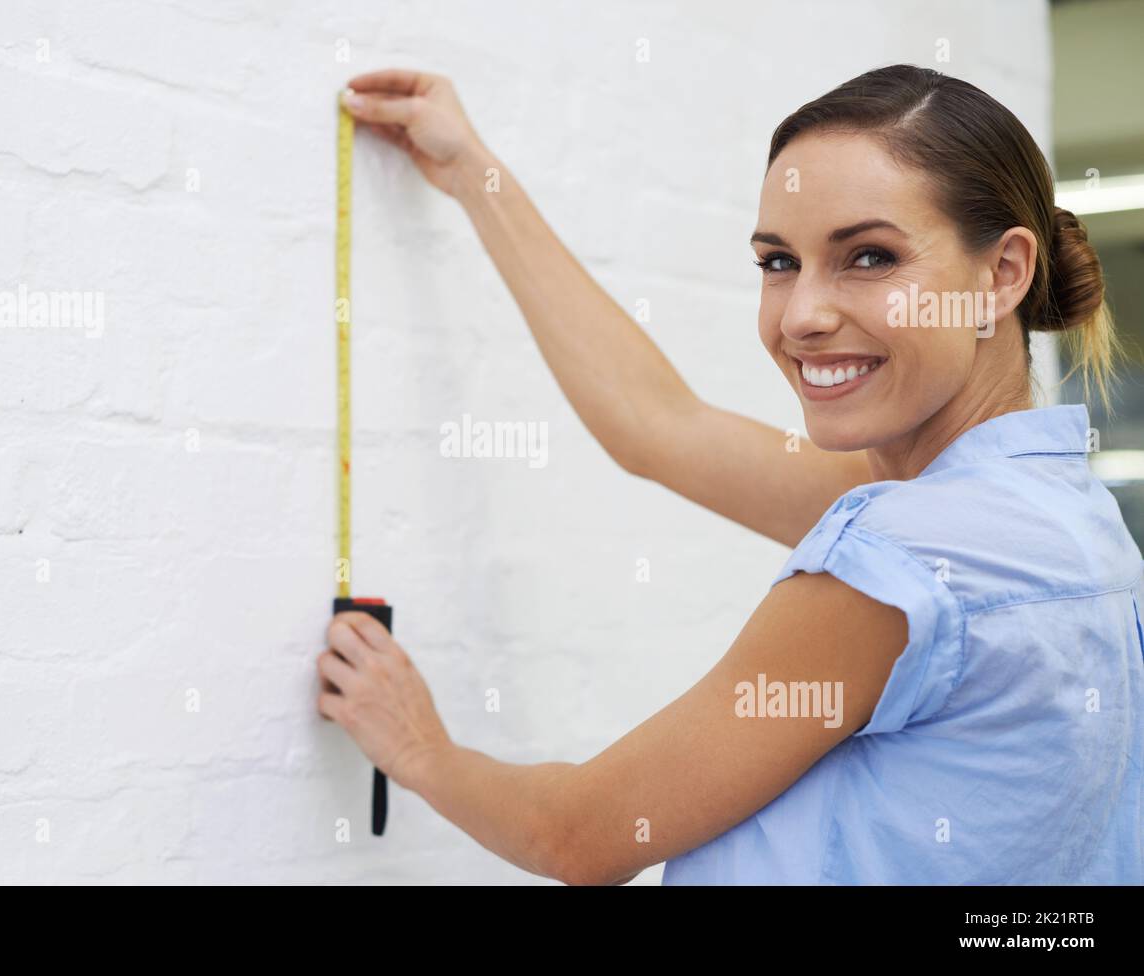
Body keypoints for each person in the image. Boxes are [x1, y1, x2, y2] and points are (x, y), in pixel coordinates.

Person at [317, 64, 1143, 885]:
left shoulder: (899, 559)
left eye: (869, 256)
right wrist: (473, 172)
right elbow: (658, 428)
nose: (804, 316)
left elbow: (575, 836)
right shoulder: (1061, 520)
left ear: (1002, 274)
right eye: (779, 262)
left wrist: (419, 748)